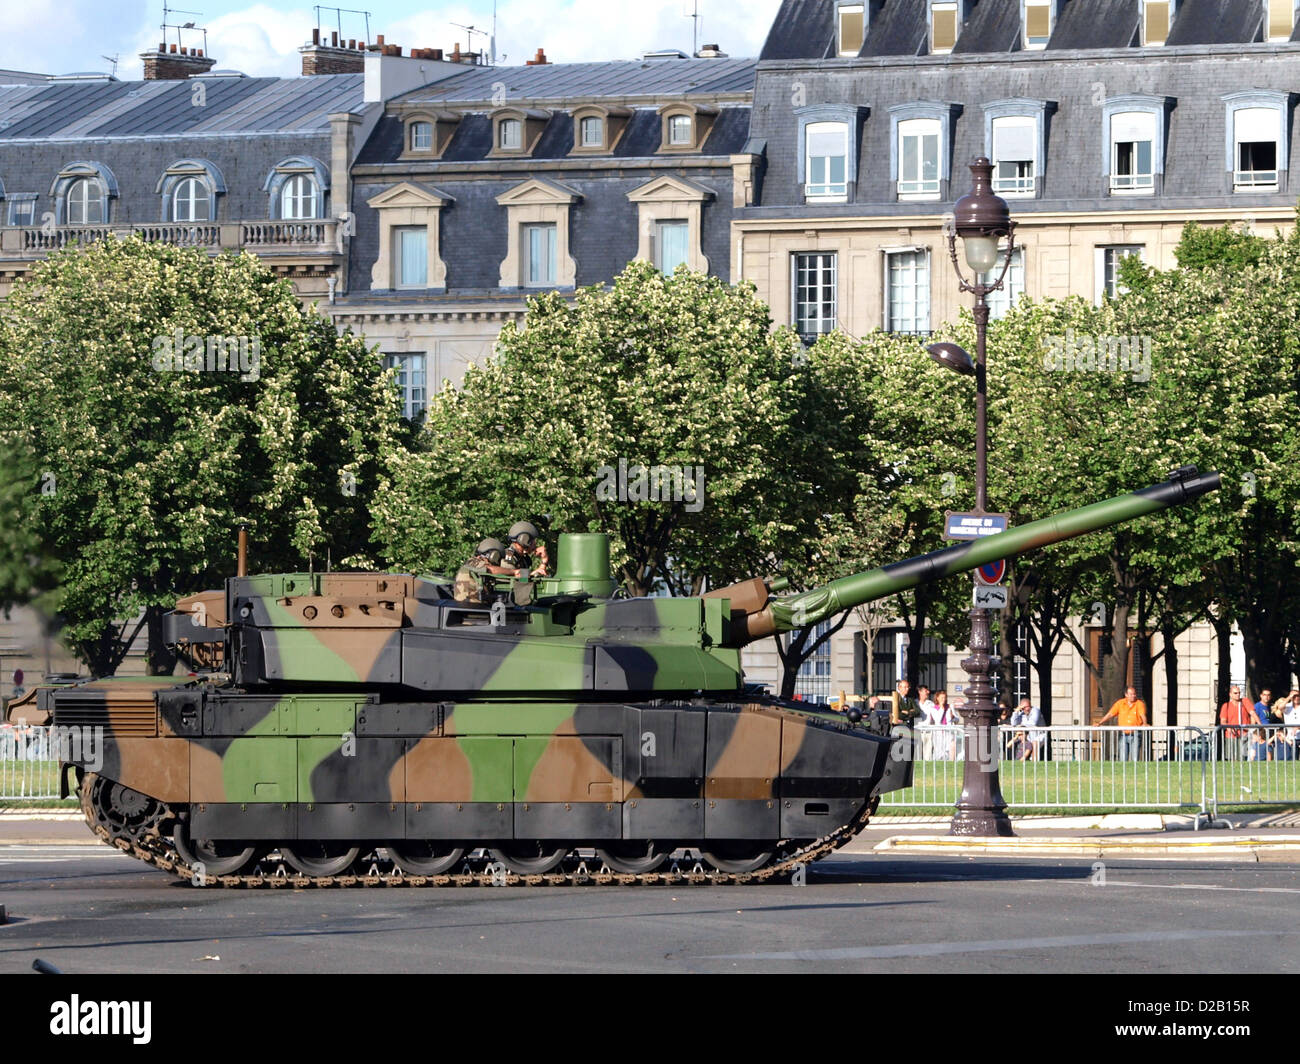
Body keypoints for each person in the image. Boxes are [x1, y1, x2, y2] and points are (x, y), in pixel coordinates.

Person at [1098, 686, 1147, 762]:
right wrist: (1100, 722)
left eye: (1134, 694)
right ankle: (1124, 773)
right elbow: (1110, 714)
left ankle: (1134, 773)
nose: (1133, 696)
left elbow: (1142, 715)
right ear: (1126, 695)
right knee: (1122, 759)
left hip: (1135, 734)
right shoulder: (1120, 703)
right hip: (1123, 734)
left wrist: (1145, 723)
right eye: (1130, 694)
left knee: (1135, 759)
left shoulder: (1139, 704)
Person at [453, 537, 509, 602]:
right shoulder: (474, 562)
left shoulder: (472, 563)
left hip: (470, 606)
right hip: (471, 607)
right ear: (494, 556)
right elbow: (490, 569)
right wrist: (514, 572)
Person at [1218, 685, 1253, 760]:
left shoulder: (1244, 702)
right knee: (1232, 758)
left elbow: (1253, 714)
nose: (1238, 695)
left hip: (1245, 735)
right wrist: (1228, 727)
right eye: (1235, 693)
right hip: (1231, 736)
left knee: (1244, 757)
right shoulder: (1226, 706)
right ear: (1230, 694)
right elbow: (1223, 721)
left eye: (1239, 693)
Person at [927, 689, 959, 760]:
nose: (943, 700)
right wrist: (941, 708)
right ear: (937, 698)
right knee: (939, 752)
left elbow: (957, 719)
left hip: (949, 731)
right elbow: (938, 719)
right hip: (938, 733)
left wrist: (953, 717)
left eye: (945, 697)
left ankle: (951, 764)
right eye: (942, 698)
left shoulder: (950, 706)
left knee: (951, 747)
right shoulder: (933, 708)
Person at [1251, 688, 1274, 762]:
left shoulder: (1270, 706)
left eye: (1268, 695)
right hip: (1260, 734)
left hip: (1268, 732)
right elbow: (1253, 720)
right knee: (1257, 752)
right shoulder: (1257, 706)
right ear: (1261, 695)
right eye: (1264, 695)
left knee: (1269, 751)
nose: (1266, 697)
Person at [1282, 690, 1300, 762]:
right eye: (1294, 696)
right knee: (1292, 761)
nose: (1296, 698)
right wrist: (1289, 697)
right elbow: (1280, 707)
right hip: (1290, 738)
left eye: (1297, 696)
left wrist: (1298, 727)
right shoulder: (1287, 706)